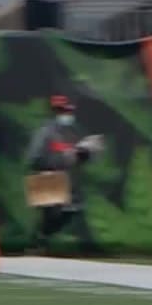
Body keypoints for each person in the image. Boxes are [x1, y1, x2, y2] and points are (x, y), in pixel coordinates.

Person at [24, 94, 103, 251]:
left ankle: (42, 240)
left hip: (70, 179)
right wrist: (48, 168)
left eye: (68, 111)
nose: (66, 115)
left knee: (71, 211)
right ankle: (39, 242)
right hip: (49, 177)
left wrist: (84, 153)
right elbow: (33, 157)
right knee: (51, 213)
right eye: (62, 111)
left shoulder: (76, 131)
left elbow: (87, 156)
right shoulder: (46, 131)